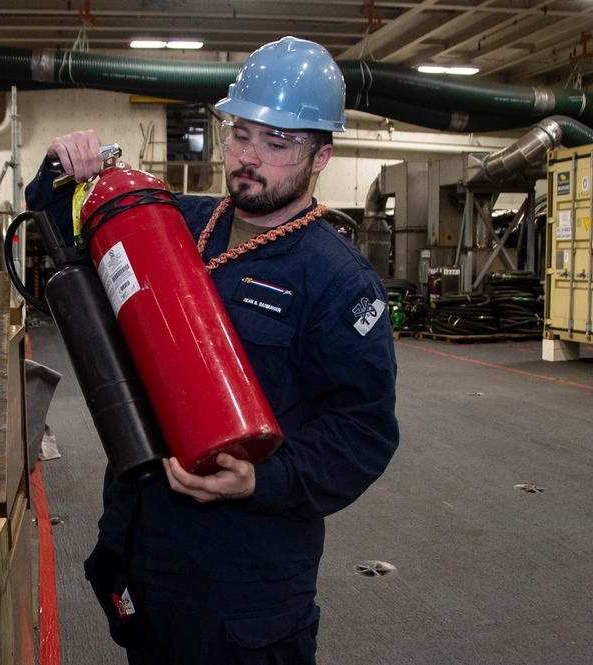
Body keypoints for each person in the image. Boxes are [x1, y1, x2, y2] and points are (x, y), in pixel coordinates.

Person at [25, 36, 399, 664]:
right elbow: (57, 234)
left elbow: (362, 433)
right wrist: (60, 172)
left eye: (276, 144)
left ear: (320, 156)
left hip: (244, 577)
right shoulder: (170, 220)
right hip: (145, 543)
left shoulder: (337, 281)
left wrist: (262, 478)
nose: (249, 158)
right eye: (240, 135)